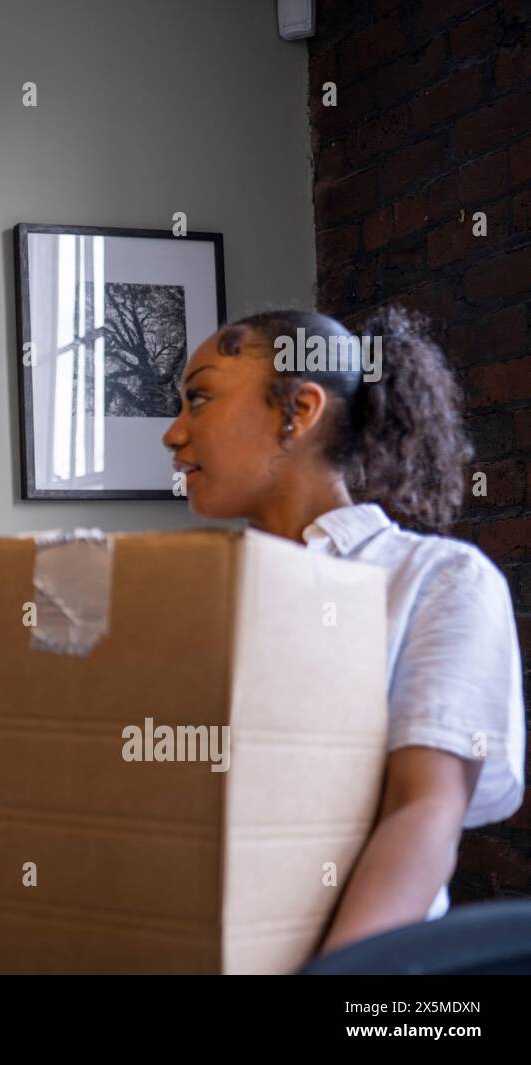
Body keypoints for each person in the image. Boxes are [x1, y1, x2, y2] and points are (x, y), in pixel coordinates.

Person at [161, 305, 525, 955]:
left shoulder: (437, 580)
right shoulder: (187, 594)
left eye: (200, 399)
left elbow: (423, 812)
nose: (173, 433)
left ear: (297, 411)